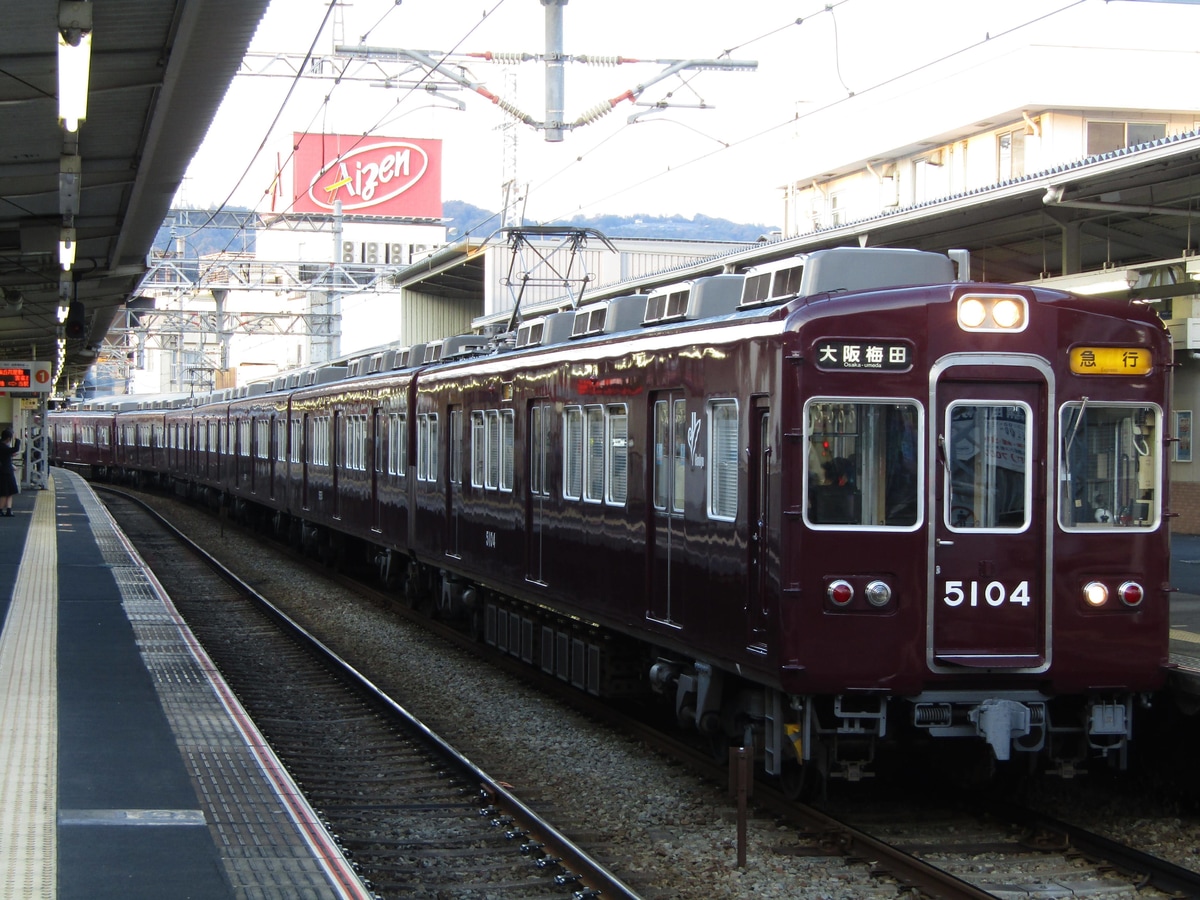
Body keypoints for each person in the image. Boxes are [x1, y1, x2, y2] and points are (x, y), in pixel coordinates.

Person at [0, 429, 20, 516]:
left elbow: (7, 454)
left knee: (9, 492)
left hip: (6, 471)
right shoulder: (3, 447)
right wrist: (17, 439)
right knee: (5, 493)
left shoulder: (2, 446)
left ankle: (8, 509)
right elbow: (15, 448)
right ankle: (1, 510)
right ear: (8, 438)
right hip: (5, 473)